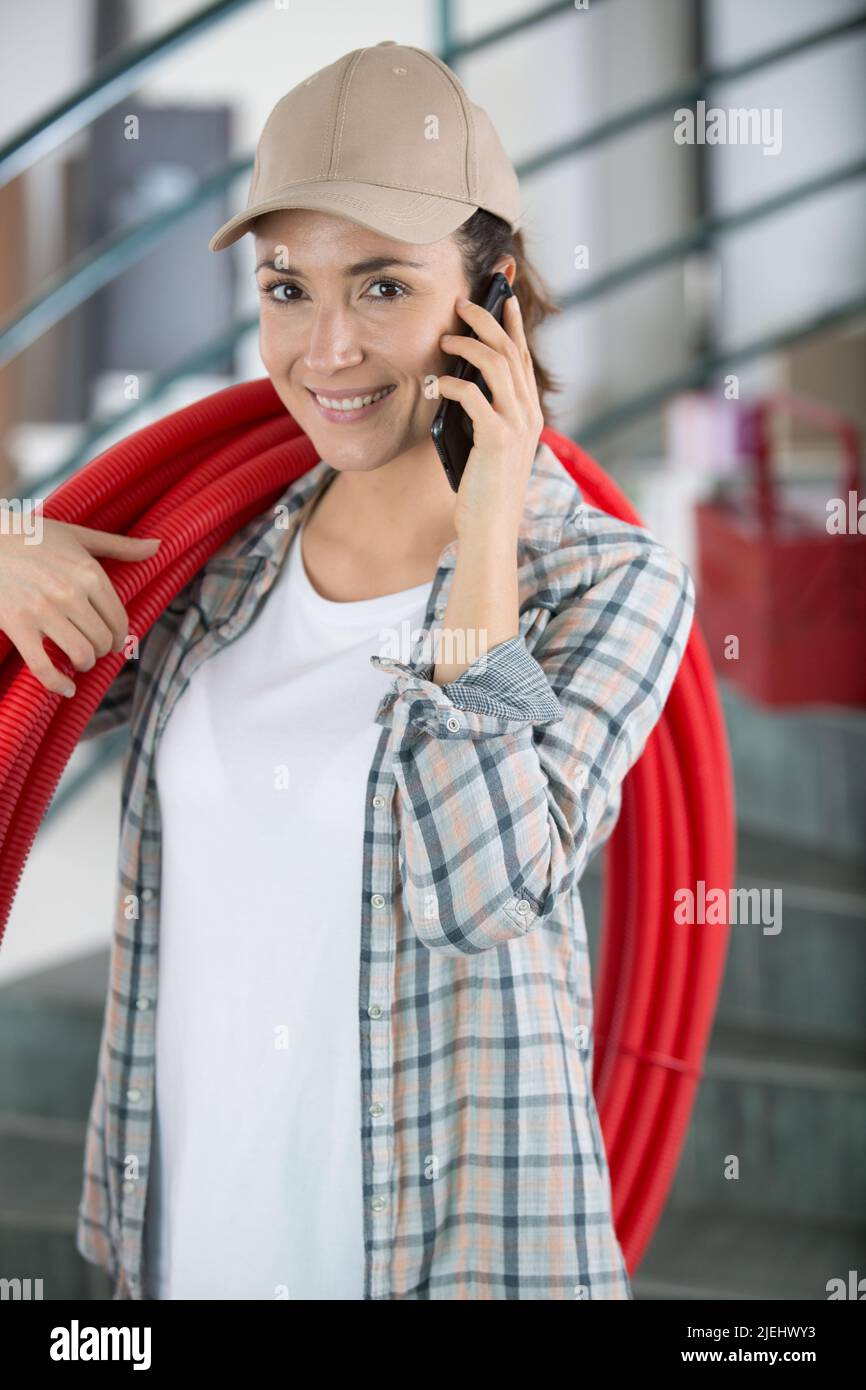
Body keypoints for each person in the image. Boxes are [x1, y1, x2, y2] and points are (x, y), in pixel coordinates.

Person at [0, 42, 695, 1300]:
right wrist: (5, 544)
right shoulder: (213, 558)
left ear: (491, 293)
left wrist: (481, 533)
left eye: (380, 286)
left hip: (448, 1268)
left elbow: (484, 892)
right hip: (185, 1251)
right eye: (285, 288)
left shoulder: (607, 583)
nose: (324, 349)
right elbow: (24, 710)